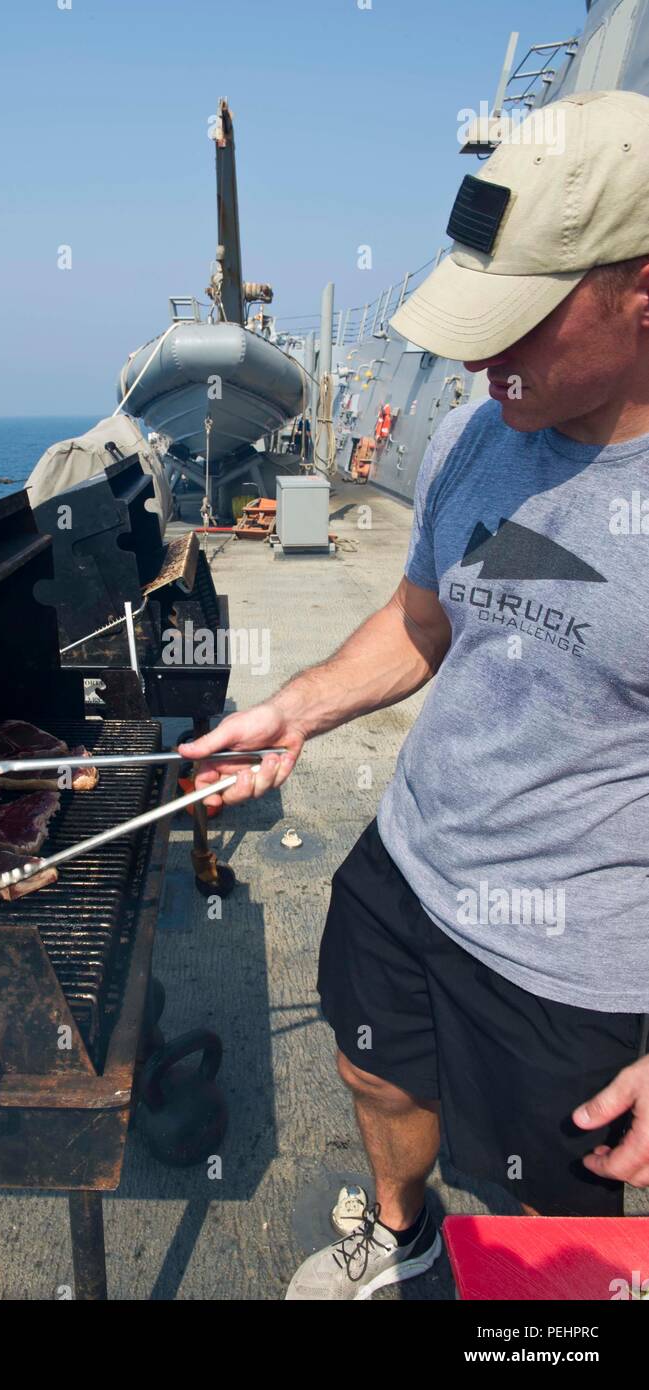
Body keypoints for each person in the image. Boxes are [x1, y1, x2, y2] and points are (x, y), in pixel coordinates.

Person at [178, 90, 649, 1301]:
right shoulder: (476, 434)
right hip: (413, 864)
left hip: (579, 954)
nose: (482, 359)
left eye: (522, 324)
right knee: (374, 1071)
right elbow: (424, 618)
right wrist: (301, 707)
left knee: (554, 1222)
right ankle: (405, 1239)